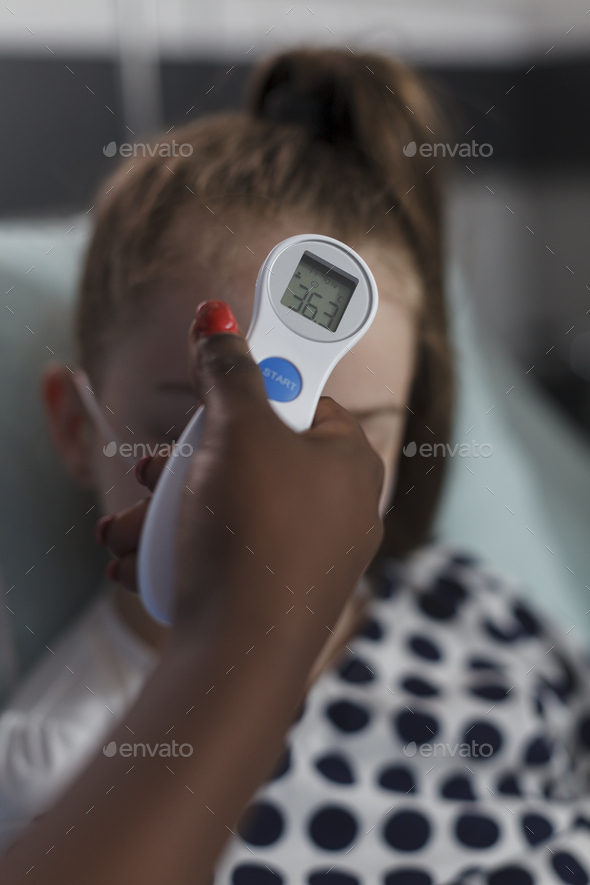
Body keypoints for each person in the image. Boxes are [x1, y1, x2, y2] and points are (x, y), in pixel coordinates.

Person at [0, 47, 589, 884]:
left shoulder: (481, 613)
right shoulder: (58, 773)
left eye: (352, 439)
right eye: (193, 424)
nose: (268, 489)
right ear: (73, 422)